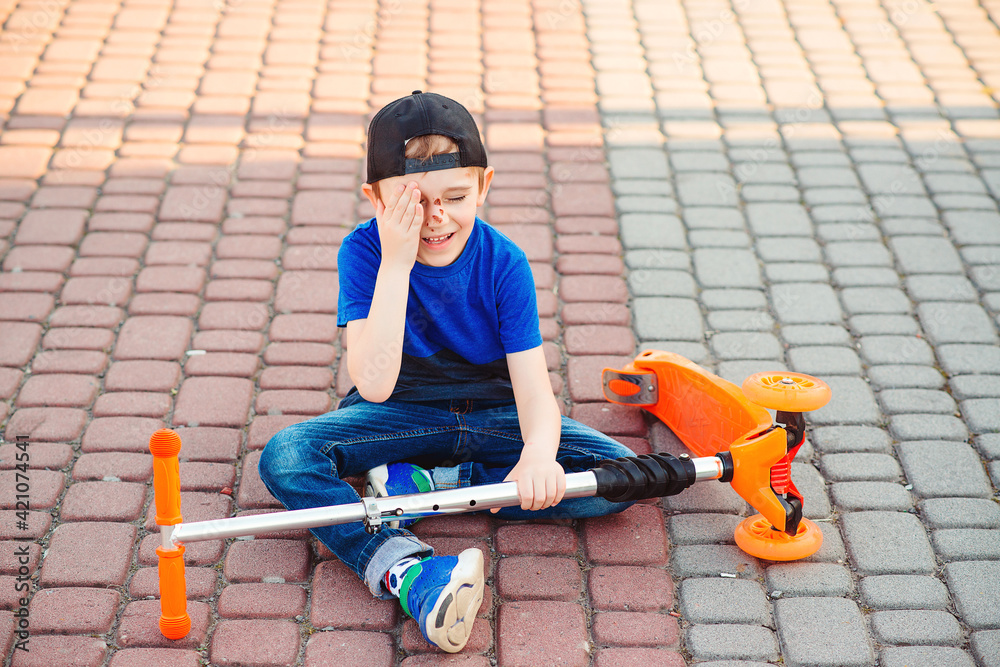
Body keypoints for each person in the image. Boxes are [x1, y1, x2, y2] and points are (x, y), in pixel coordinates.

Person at [259, 90, 634, 653]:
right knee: (286, 457)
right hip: (397, 412)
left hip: (493, 415)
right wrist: (396, 261)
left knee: (618, 476)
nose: (435, 219)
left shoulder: (504, 262)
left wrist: (536, 458)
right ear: (375, 200)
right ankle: (405, 570)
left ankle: (445, 483)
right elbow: (376, 383)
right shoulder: (364, 254)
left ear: (483, 186)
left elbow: (535, 391)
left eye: (455, 197)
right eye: (413, 202)